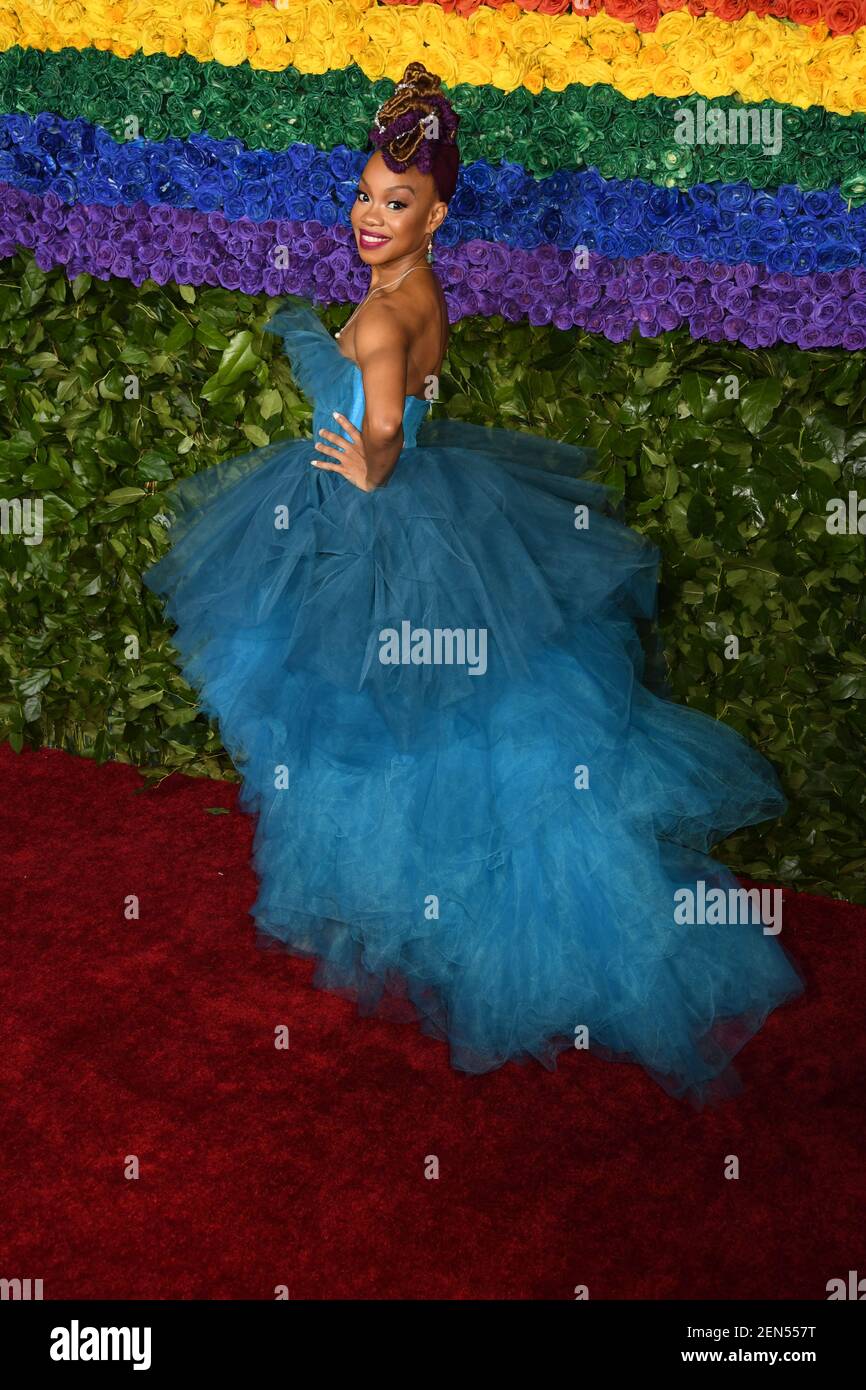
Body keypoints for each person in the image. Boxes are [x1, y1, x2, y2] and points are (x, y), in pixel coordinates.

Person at [144, 63, 804, 1105]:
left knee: (382, 714)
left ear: (435, 214)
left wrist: (371, 463)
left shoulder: (385, 318)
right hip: (427, 522)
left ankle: (483, 924)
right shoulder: (416, 292)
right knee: (450, 718)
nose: (371, 216)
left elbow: (384, 425)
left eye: (396, 202)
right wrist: (381, 448)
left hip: (380, 532)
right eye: (366, 196)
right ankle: (440, 900)